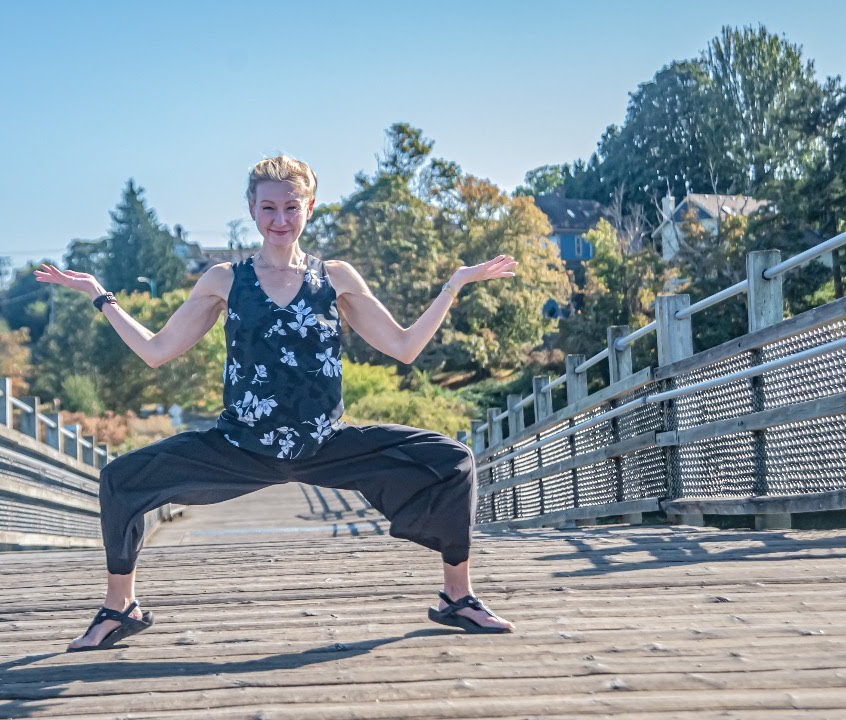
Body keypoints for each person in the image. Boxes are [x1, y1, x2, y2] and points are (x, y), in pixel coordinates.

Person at [35, 155, 518, 651]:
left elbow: (405, 346)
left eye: (291, 207)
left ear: (310, 207)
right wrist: (101, 296)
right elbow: (156, 351)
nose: (280, 219)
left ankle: (457, 597)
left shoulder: (337, 277)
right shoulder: (224, 279)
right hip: (240, 446)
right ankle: (120, 608)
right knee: (121, 480)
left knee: (452, 460)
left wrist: (454, 284)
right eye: (268, 207)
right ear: (251, 209)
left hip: (327, 444)